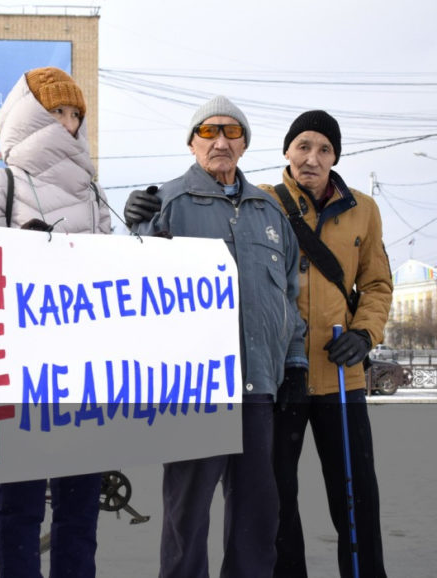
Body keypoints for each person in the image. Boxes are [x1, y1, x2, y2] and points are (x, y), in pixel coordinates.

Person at [130, 95, 308, 578]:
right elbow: (130, 285)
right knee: (188, 517)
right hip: (195, 390)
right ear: (192, 142)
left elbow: (291, 297)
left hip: (258, 388)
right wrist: (136, 228)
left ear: (245, 144)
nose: (221, 141)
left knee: (258, 513)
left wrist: (295, 366)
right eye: (208, 132)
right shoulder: (166, 201)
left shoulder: (270, 212)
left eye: (232, 132)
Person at [0, 66, 110, 578]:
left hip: (82, 370)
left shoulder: (94, 192)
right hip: (21, 370)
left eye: (76, 113)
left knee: (79, 508)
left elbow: (114, 276)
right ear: (31, 115)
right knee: (21, 507)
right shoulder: (1, 180)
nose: (70, 123)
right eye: (58, 111)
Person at [262, 111, 392, 578]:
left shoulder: (363, 209)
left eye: (324, 149)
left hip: (342, 379)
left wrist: (364, 333)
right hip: (278, 378)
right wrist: (153, 214)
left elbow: (377, 284)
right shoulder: (260, 203)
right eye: (303, 146)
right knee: (276, 500)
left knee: (357, 498)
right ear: (287, 151)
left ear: (336, 156)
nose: (312, 158)